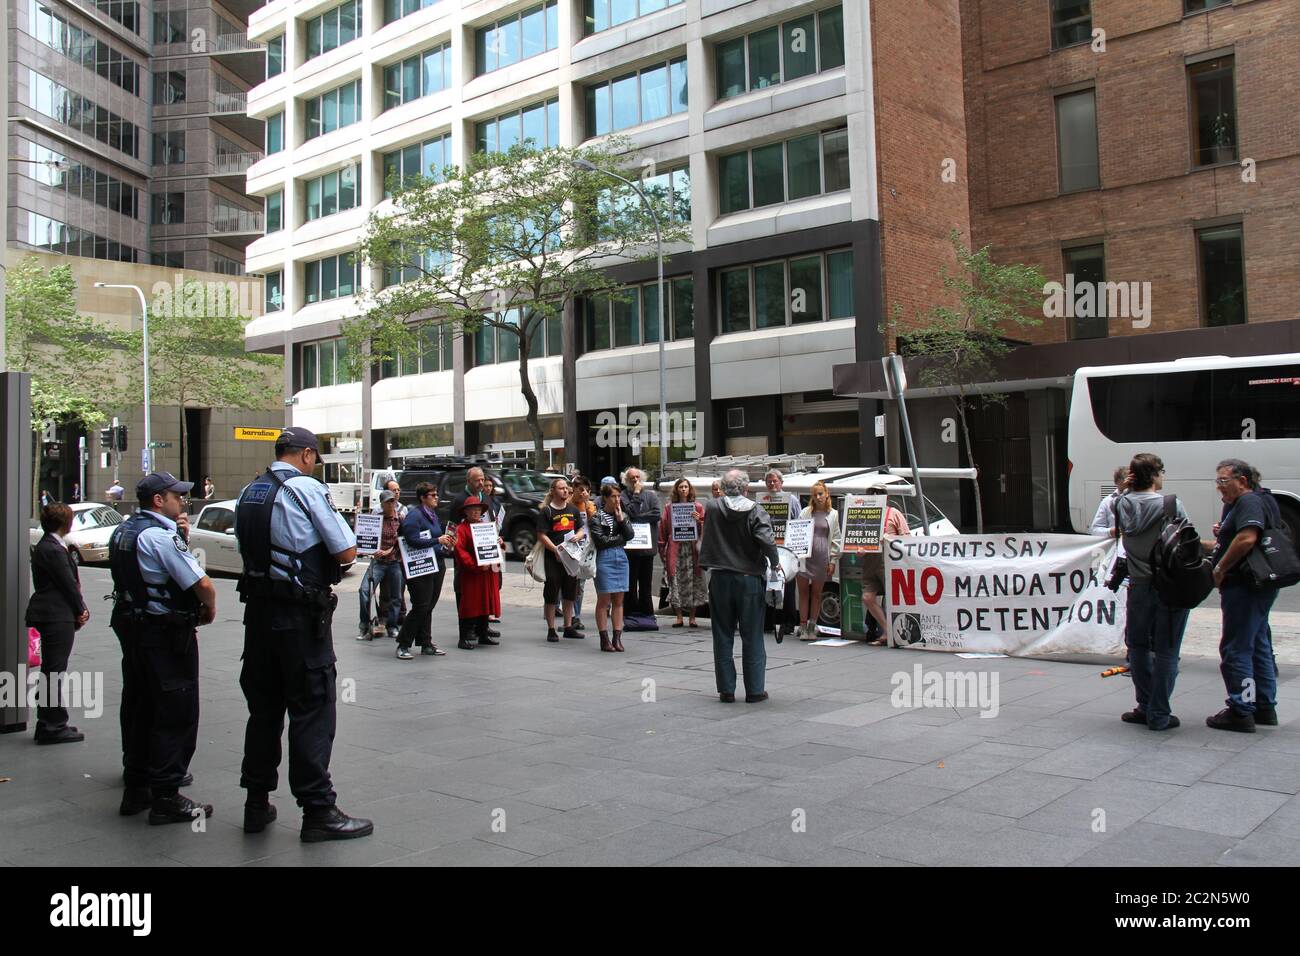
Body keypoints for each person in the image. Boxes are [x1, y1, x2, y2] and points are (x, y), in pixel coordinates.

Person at [234, 427, 372, 842]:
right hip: (298, 619)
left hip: (257, 618)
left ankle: (256, 803)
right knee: (312, 710)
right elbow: (346, 551)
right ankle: (318, 810)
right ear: (308, 455)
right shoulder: (306, 490)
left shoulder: (249, 492)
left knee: (263, 712)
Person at [108, 472, 217, 824]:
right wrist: (209, 608)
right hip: (165, 635)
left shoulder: (123, 530)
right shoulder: (158, 536)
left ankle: (137, 788)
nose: (182, 501)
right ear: (158, 500)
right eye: (176, 496)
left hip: (134, 630)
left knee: (140, 706)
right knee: (175, 710)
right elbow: (201, 583)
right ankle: (167, 795)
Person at [1205, 459, 1283, 733]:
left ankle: (1241, 709)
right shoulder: (1262, 499)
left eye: (1223, 481)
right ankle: (1264, 705)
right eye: (1217, 481)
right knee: (1259, 643)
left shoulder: (1248, 502)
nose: (1219, 487)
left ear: (1243, 480)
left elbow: (1247, 538)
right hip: (1260, 585)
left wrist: (1219, 569)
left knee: (1237, 648)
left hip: (1245, 585)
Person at [1114, 453, 1189, 732]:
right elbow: (1186, 540)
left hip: (1138, 584)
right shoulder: (1170, 504)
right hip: (1167, 585)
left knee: (1138, 646)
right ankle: (1159, 712)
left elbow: (1119, 498)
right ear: (1156, 474)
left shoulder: (1121, 504)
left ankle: (1144, 705)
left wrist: (1125, 488)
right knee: (1167, 650)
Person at [699, 469, 779, 704]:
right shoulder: (756, 509)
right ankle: (755, 690)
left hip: (720, 578)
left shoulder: (712, 507)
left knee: (722, 634)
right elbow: (767, 540)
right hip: (748, 578)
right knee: (752, 634)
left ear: (723, 488)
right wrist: (775, 563)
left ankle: (726, 690)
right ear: (746, 488)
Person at [26, 502, 89, 744]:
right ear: (65, 522)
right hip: (56, 614)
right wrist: (81, 609)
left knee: (53, 670)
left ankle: (53, 721)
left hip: (54, 612)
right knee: (53, 671)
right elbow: (67, 583)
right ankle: (51, 725)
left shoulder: (49, 545)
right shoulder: (52, 549)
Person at [395, 481, 453, 658]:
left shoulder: (431, 514)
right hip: (420, 566)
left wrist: (447, 543)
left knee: (428, 606)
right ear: (422, 497)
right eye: (433, 495)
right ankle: (403, 644)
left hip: (436, 563)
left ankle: (426, 642)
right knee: (421, 605)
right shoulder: (415, 516)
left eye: (436, 494)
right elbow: (411, 540)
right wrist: (438, 541)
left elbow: (435, 536)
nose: (436, 498)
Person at [449, 467, 503, 637]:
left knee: (486, 592)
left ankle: (483, 627)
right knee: (466, 593)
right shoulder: (459, 500)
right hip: (468, 558)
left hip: (487, 556)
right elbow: (452, 529)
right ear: (468, 482)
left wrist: (496, 542)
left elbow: (492, 521)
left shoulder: (486, 497)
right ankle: (467, 628)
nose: (481, 483)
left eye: (482, 480)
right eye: (477, 480)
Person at [537, 476, 586, 642]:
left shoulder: (573, 510)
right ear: (553, 491)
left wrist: (578, 536)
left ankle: (568, 626)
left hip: (570, 557)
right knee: (551, 591)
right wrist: (555, 549)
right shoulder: (547, 511)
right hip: (553, 558)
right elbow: (541, 535)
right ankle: (551, 628)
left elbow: (581, 529)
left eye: (566, 488)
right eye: (561, 488)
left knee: (570, 592)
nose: (565, 490)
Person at [862, 487, 910, 645]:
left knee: (891, 599)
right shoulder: (864, 515)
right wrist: (858, 549)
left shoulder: (894, 513)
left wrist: (888, 539)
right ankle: (887, 630)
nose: (875, 497)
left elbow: (906, 538)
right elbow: (856, 537)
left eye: (878, 494)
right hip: (870, 562)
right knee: (867, 598)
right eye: (871, 495)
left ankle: (888, 634)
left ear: (886, 498)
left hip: (888, 561)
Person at [796, 480, 843, 641]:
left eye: (820, 493)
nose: (818, 497)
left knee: (817, 593)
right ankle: (802, 627)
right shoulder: (805, 512)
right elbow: (797, 532)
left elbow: (836, 537)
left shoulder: (833, 514)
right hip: (804, 556)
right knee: (803, 592)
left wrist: (833, 560)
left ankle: (812, 626)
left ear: (826, 494)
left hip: (822, 557)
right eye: (815, 494)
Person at [357, 490, 405, 643]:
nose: (391, 504)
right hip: (378, 562)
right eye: (388, 502)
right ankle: (364, 625)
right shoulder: (376, 519)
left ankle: (392, 626)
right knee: (364, 590)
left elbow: (402, 541)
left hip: (394, 561)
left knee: (396, 596)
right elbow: (366, 539)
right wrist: (371, 551)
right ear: (382, 504)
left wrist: (387, 551)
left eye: (392, 501)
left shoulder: (401, 520)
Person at [592, 484, 635, 651]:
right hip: (604, 558)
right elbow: (601, 541)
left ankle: (617, 637)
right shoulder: (596, 517)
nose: (617, 499)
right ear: (605, 498)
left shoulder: (622, 515)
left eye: (619, 496)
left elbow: (630, 535)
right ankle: (604, 639)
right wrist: (620, 538)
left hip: (621, 558)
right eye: (613, 496)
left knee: (619, 599)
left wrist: (620, 521)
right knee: (604, 600)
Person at [658, 478, 706, 629]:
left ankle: (692, 618)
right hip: (675, 549)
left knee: (694, 581)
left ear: (689, 489)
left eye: (686, 486)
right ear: (676, 489)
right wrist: (662, 549)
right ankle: (679, 617)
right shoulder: (669, 508)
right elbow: (663, 529)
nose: (684, 489)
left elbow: (706, 528)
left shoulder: (697, 507)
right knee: (675, 580)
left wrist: (700, 522)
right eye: (681, 487)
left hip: (692, 550)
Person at [761, 469, 802, 640]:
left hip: (786, 550)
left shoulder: (791, 500)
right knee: (768, 584)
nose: (772, 484)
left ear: (781, 483)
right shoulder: (762, 500)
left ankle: (789, 623)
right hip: (768, 549)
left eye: (775, 481)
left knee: (788, 586)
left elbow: (798, 521)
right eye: (769, 481)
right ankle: (768, 622)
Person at [620, 467, 661, 617]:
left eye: (638, 477)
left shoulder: (651, 495)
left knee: (646, 584)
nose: (636, 480)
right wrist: (636, 494)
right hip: (631, 549)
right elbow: (630, 512)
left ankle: (647, 613)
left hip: (647, 548)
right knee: (630, 583)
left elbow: (656, 514)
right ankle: (630, 613)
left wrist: (636, 517)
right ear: (627, 481)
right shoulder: (623, 496)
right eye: (632, 478)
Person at [561, 476, 598, 631]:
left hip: (585, 548)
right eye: (580, 489)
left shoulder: (589, 506)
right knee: (568, 583)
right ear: (573, 489)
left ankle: (577, 616)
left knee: (580, 584)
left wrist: (589, 509)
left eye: (587, 490)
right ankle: (567, 618)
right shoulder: (567, 505)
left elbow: (595, 524)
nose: (584, 493)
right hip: (569, 547)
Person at [1091, 466, 1129, 535]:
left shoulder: (1140, 499)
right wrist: (1110, 531)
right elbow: (1094, 530)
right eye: (1123, 479)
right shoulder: (1107, 501)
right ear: (1116, 482)